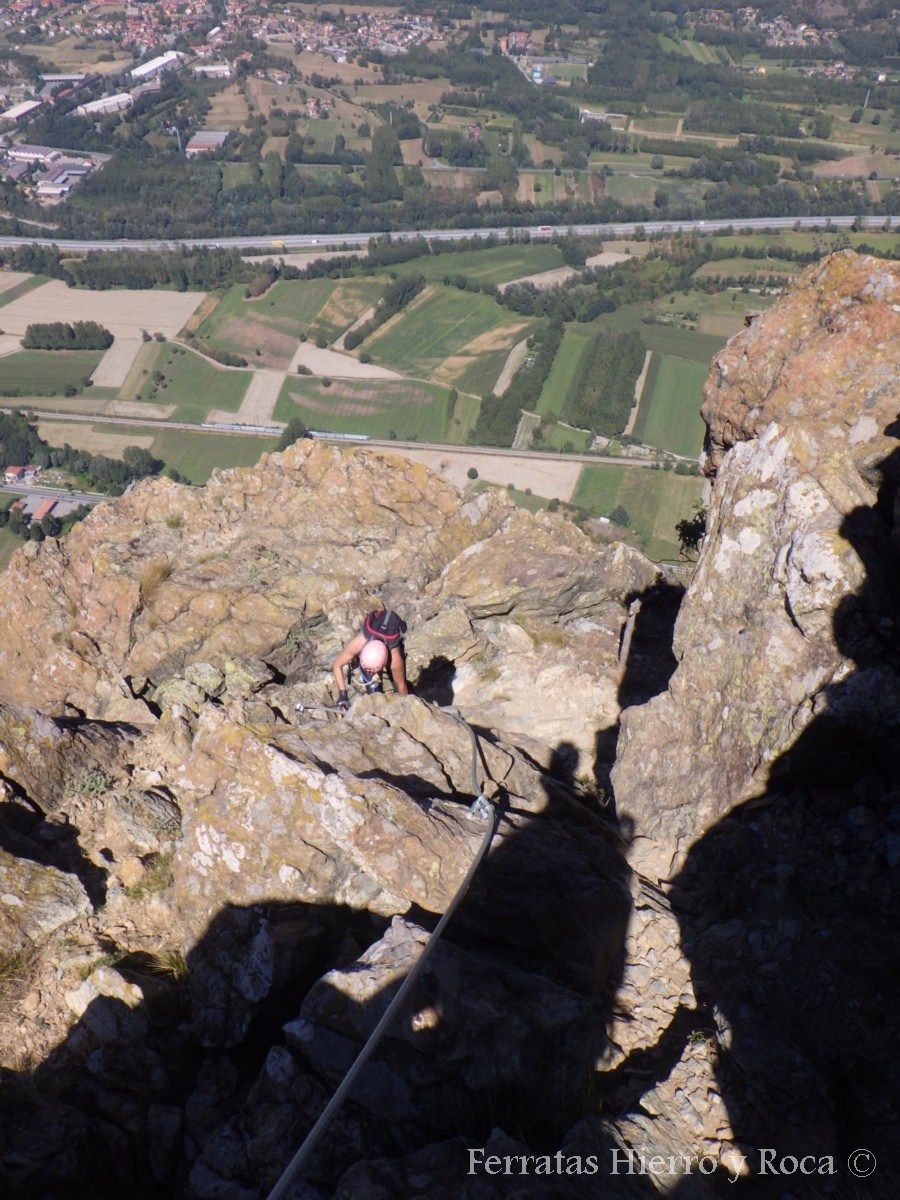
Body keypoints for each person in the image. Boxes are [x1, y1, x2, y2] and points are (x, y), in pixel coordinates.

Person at [332, 604, 409, 710]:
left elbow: (401, 687)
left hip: (391, 651)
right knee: (375, 699)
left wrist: (406, 709)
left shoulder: (394, 661)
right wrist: (343, 695)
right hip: (374, 649)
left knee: (398, 683)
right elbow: (337, 664)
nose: (371, 672)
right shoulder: (358, 644)